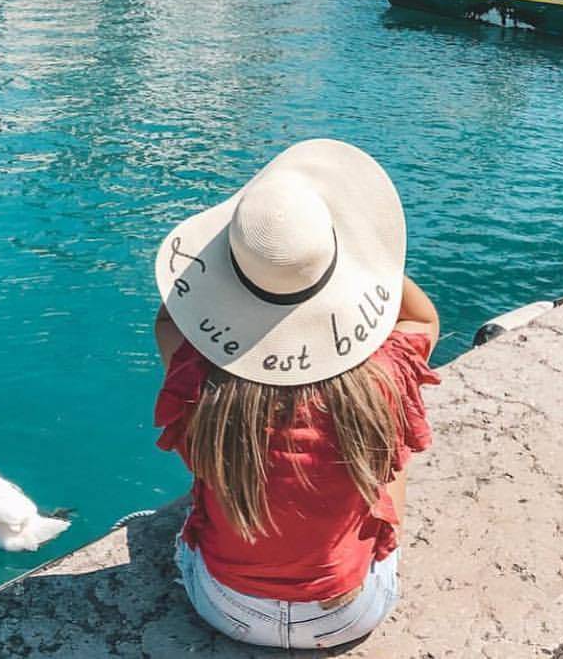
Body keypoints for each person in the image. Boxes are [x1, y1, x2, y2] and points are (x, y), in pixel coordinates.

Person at [153, 141, 440, 652]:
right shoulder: (383, 375)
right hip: (348, 613)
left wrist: (233, 273)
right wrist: (363, 261)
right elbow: (422, 318)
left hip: (225, 608)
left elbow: (170, 319)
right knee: (389, 449)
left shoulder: (199, 377)